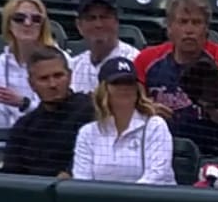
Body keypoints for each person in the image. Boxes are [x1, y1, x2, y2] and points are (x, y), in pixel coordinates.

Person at [134, 0, 218, 113]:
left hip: (206, 131)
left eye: (196, 23)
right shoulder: (146, 59)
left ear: (207, 28)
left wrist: (212, 110)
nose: (189, 30)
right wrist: (149, 109)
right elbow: (131, 103)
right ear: (169, 27)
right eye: (183, 22)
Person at [70, 56, 175, 184]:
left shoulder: (155, 126)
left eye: (129, 82)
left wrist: (121, 200)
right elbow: (82, 181)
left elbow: (157, 175)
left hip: (149, 201)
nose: (124, 87)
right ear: (103, 89)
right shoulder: (87, 133)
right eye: (116, 82)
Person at [3, 48, 95, 178]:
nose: (52, 84)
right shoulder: (23, 127)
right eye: (44, 79)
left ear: (70, 76)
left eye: (58, 76)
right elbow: (11, 178)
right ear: (31, 84)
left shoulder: (92, 112)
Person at [0, 0, 68, 132]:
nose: (27, 23)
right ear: (9, 24)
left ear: (43, 25)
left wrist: (24, 103)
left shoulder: (59, 60)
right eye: (19, 18)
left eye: (36, 19)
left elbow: (66, 112)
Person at [69, 0, 140, 94]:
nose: (98, 24)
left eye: (104, 17)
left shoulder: (134, 61)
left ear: (116, 22)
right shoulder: (74, 65)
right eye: (91, 18)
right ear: (79, 25)